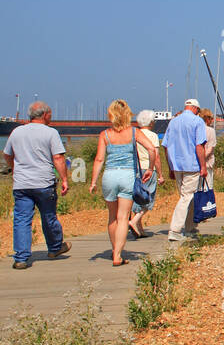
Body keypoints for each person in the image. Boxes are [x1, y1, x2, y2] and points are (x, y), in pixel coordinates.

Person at [2, 101, 71, 270]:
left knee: (22, 219)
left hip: (22, 183)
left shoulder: (16, 132)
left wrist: (14, 169)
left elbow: (7, 154)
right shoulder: (51, 133)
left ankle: (21, 257)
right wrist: (64, 179)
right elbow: (58, 158)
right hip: (43, 182)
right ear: (45, 115)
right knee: (48, 215)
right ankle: (55, 248)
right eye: (50, 114)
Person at [89, 99, 158, 266]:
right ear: (128, 115)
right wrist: (149, 168)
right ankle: (118, 255)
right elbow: (151, 148)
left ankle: (115, 249)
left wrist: (93, 182)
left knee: (112, 217)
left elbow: (99, 159)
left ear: (110, 115)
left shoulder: (105, 135)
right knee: (122, 217)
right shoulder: (134, 133)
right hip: (127, 176)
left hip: (109, 176)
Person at [163, 99, 210, 241]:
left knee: (188, 197)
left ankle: (190, 228)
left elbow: (165, 145)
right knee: (187, 197)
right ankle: (175, 230)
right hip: (192, 165)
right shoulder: (197, 122)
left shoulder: (173, 122)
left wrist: (170, 166)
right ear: (195, 108)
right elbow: (199, 146)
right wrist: (203, 166)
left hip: (177, 165)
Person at [127, 109, 165, 240]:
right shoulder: (152, 136)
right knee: (148, 198)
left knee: (138, 196)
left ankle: (140, 229)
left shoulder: (134, 134)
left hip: (136, 170)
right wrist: (160, 174)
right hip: (148, 169)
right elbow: (156, 156)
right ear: (150, 122)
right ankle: (134, 221)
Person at [200, 108, 219, 190]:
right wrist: (202, 160)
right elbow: (210, 149)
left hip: (195, 165)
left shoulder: (195, 129)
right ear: (207, 118)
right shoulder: (210, 131)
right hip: (207, 163)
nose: (212, 120)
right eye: (211, 118)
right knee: (207, 188)